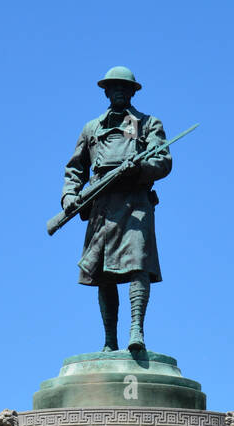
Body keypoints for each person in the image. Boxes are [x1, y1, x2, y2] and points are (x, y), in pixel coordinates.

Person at [61, 66, 172, 351]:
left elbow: (163, 160)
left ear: (133, 92)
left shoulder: (148, 123)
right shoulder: (92, 129)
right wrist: (70, 197)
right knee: (103, 274)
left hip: (135, 205)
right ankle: (110, 339)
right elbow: (75, 169)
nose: (119, 91)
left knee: (138, 265)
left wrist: (140, 168)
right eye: (114, 87)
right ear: (106, 91)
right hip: (101, 207)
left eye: (125, 87)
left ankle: (137, 330)